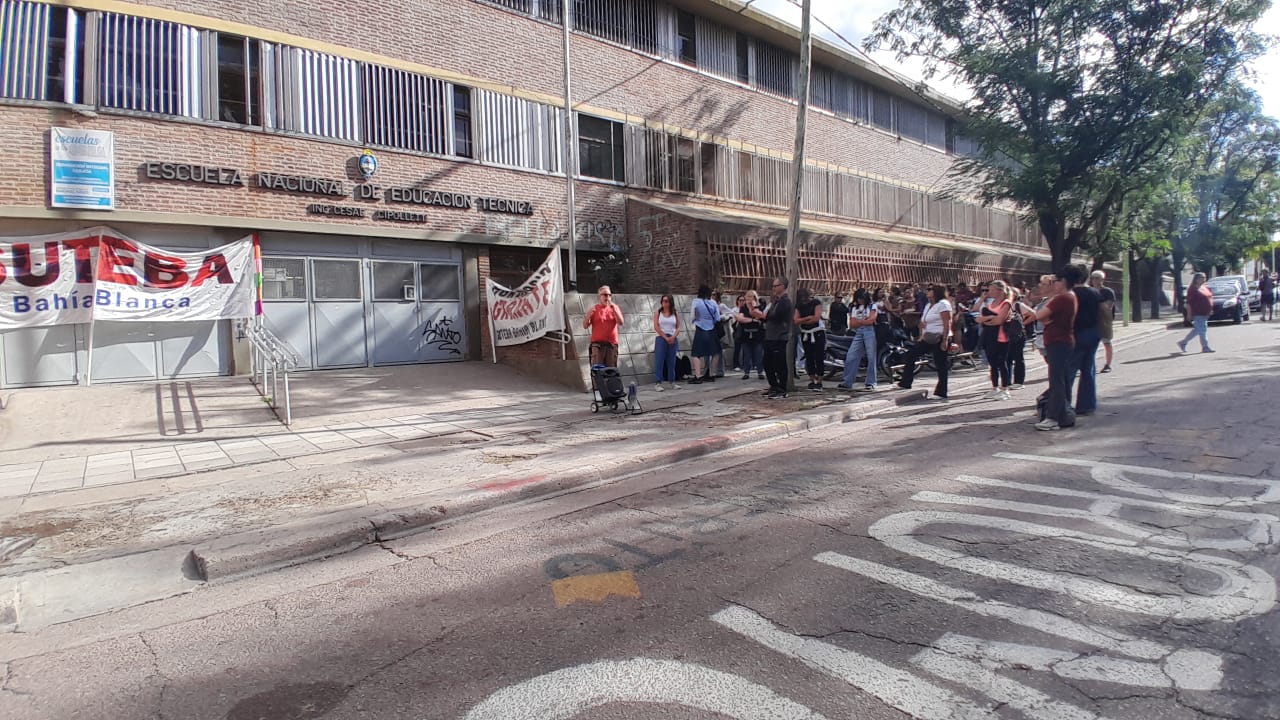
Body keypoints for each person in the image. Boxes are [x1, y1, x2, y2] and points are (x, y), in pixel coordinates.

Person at [1033, 266, 1081, 431]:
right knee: (1062, 379)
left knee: (1057, 380)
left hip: (1058, 341)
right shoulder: (1069, 296)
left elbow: (1039, 316)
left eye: (1057, 281)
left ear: (1064, 281)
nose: (1054, 284)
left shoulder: (1063, 298)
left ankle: (1053, 417)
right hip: (1062, 341)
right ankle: (1065, 413)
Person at [895, 284, 953, 400]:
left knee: (940, 364)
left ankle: (942, 391)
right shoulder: (928, 305)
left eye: (930, 290)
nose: (928, 292)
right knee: (911, 354)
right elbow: (923, 322)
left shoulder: (943, 304)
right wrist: (922, 335)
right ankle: (906, 381)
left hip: (940, 336)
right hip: (928, 337)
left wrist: (945, 340)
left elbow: (947, 323)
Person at [1070, 266, 1102, 415]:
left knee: (1069, 371)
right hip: (1093, 333)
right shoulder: (1095, 293)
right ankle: (1087, 405)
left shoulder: (1071, 294)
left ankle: (1063, 403)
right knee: (1088, 370)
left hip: (1077, 333)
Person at [753, 277, 793, 399]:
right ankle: (774, 386)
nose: (774, 288)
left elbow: (775, 316)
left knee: (779, 364)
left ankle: (782, 388)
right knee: (768, 363)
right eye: (773, 286)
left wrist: (762, 316)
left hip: (779, 336)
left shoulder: (785, 302)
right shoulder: (775, 301)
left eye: (776, 286)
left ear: (783, 286)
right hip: (770, 336)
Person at [976, 280, 1013, 400]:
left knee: (1002, 362)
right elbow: (978, 319)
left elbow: (999, 320)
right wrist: (990, 318)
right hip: (989, 336)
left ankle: (1005, 388)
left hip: (1001, 337)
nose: (989, 292)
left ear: (1000, 291)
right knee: (992, 363)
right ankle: (995, 387)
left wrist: (987, 320)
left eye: (992, 289)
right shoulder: (991, 303)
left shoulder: (1006, 303)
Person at [837, 288, 878, 392]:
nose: (861, 301)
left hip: (869, 331)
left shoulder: (872, 306)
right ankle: (847, 382)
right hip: (858, 332)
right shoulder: (854, 307)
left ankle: (871, 382)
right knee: (851, 356)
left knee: (871, 356)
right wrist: (863, 321)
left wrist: (860, 321)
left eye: (862, 299)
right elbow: (852, 324)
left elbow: (871, 320)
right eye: (859, 298)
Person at [583, 285, 623, 367]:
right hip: (597, 344)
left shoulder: (614, 308)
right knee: (598, 371)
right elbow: (585, 326)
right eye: (605, 295)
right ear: (599, 296)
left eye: (609, 295)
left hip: (611, 344)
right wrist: (588, 316)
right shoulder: (594, 309)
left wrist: (615, 311)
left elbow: (621, 322)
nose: (607, 297)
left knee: (611, 371)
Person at [688, 285, 721, 384]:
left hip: (700, 329)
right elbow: (717, 318)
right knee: (715, 352)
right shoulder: (713, 302)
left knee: (696, 353)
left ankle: (698, 376)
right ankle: (712, 374)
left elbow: (693, 316)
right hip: (711, 330)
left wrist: (695, 320)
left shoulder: (696, 302)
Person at [794, 288, 825, 392]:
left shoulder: (816, 302)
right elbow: (796, 320)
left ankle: (819, 380)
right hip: (805, 332)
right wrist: (807, 319)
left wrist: (804, 320)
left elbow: (816, 317)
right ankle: (812, 379)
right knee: (809, 356)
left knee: (819, 356)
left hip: (817, 331)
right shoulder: (798, 306)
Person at [1178, 272, 1214, 354]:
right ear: (1196, 279)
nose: (1204, 279)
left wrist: (1210, 309)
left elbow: (1209, 298)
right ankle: (1205, 347)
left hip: (1205, 313)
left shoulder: (1204, 287)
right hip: (1198, 312)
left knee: (1198, 330)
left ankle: (1183, 342)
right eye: (1201, 278)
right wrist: (1189, 314)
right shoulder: (1193, 289)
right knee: (1202, 330)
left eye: (1204, 277)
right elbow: (1189, 303)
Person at [652, 294, 681, 392]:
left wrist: (673, 336)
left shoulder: (675, 313)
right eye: (663, 301)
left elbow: (678, 327)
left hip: (672, 337)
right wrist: (664, 337)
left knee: (672, 360)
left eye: (666, 301)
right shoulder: (658, 313)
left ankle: (672, 381)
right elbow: (656, 326)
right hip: (661, 337)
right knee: (659, 360)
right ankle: (658, 382)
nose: (664, 303)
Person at [1090, 270, 1117, 372]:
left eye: (1097, 278)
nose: (1094, 280)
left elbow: (1109, 306)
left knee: (1106, 342)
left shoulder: (1108, 291)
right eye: (1093, 277)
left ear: (1102, 279)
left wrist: (1097, 301)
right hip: (1091, 320)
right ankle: (1090, 365)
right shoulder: (1090, 291)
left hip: (1104, 321)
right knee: (1091, 344)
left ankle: (1108, 364)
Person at [736, 290, 765, 380]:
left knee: (758, 353)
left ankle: (760, 371)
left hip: (758, 334)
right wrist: (752, 320)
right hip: (746, 333)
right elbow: (740, 319)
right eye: (747, 297)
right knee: (746, 354)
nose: (749, 299)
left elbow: (760, 317)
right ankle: (746, 372)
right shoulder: (743, 307)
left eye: (751, 296)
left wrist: (754, 307)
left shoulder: (760, 307)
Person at [1005, 287, 1029, 390]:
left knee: (1018, 358)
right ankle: (1007, 381)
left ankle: (1019, 381)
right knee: (1007, 358)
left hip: (1018, 335)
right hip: (1007, 335)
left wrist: (1022, 324)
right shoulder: (1005, 305)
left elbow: (1032, 314)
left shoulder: (1019, 305)